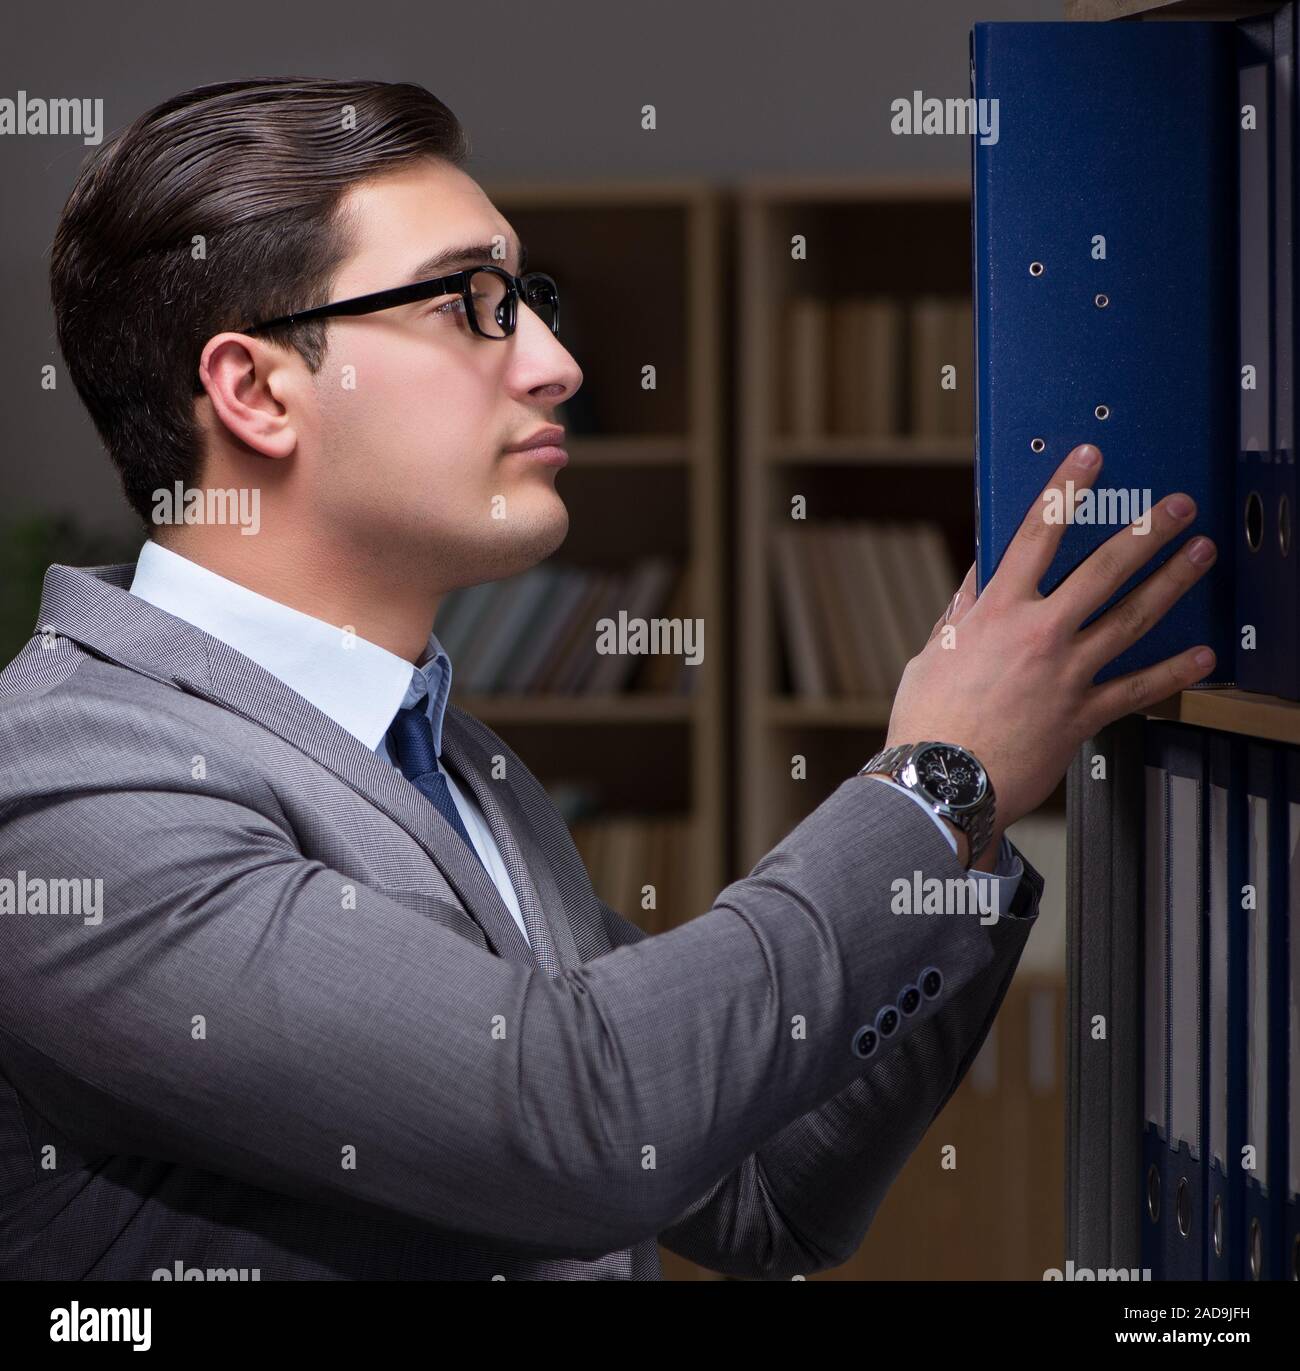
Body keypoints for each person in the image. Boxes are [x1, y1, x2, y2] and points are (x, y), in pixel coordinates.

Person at [0, 78, 1218, 1280]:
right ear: (256, 390)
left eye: (530, 296)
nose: (555, 362)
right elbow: (583, 1122)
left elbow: (761, 1197)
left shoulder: (456, 761)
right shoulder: (67, 785)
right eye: (471, 303)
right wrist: (932, 785)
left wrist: (974, 808)